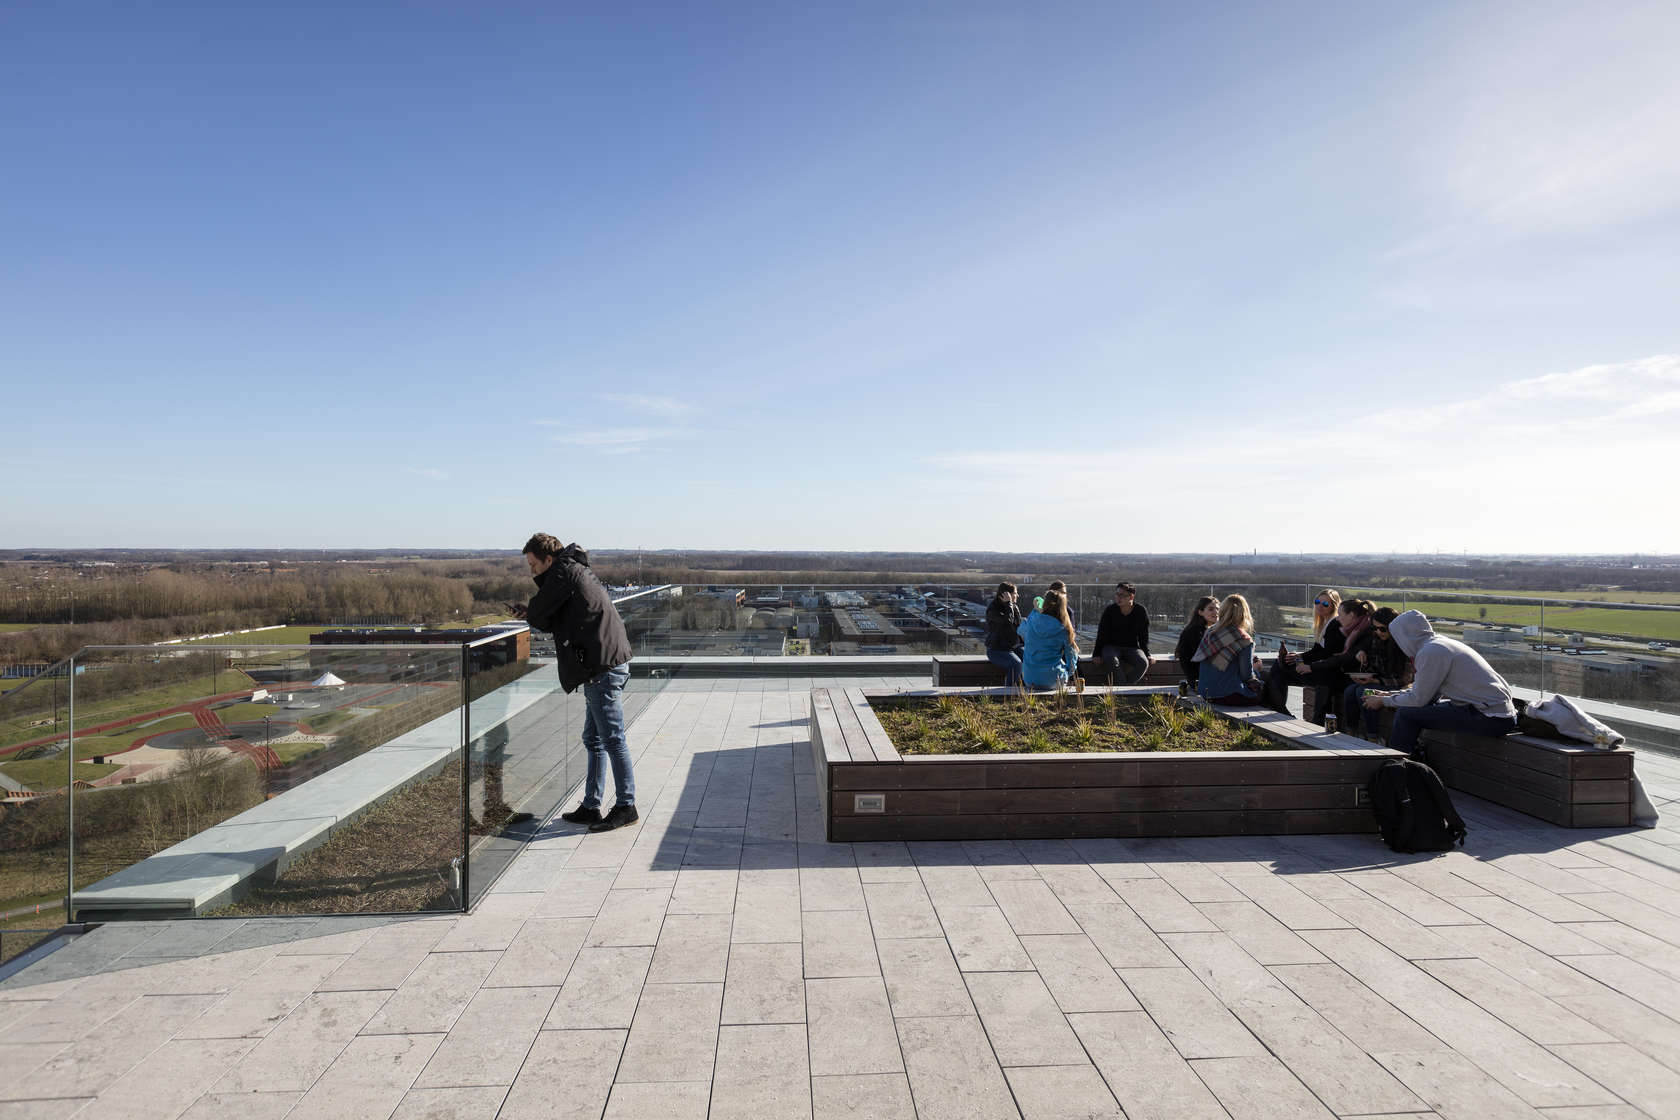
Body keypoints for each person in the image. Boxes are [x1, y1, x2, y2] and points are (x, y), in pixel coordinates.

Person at [522, 532, 639, 833]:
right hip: (603, 662)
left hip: (602, 666)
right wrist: (530, 613)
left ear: (549, 560)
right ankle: (591, 805)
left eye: (534, 566)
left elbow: (539, 611)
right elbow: (547, 616)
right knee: (594, 738)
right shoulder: (571, 571)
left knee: (612, 738)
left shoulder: (562, 572)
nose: (531, 572)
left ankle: (626, 805)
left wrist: (531, 611)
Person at [1363, 609, 1517, 760]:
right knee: (1414, 710)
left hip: (1489, 717)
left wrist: (1383, 701)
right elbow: (1426, 694)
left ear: (1404, 635)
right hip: (1492, 710)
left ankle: (1394, 766)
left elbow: (1419, 699)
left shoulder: (1430, 653)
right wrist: (1388, 695)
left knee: (1406, 715)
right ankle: (1409, 758)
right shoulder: (1438, 644)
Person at [1262, 598, 1375, 723]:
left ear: (1352, 615)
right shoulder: (1352, 629)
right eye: (1317, 602)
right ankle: (1283, 712)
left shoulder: (1362, 632)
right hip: (1335, 671)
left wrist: (1309, 665)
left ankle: (1301, 717)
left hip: (1348, 677)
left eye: (1340, 615)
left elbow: (1339, 658)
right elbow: (1326, 653)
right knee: (1282, 666)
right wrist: (1301, 659)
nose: (1338, 618)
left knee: (1323, 674)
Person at [1340, 606, 1410, 736]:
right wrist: (1364, 661)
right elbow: (1375, 668)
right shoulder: (1376, 641)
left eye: (1382, 629)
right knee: (1350, 690)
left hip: (1398, 686)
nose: (1378, 632)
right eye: (1374, 628)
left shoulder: (1404, 646)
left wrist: (1376, 680)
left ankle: (1373, 735)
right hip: (1380, 682)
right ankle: (1351, 732)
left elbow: (1406, 680)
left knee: (1364, 691)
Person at [1193, 594, 1264, 705]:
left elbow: (1217, 666)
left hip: (1205, 693)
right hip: (1228, 695)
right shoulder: (1244, 639)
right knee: (1266, 689)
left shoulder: (1211, 632)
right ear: (1244, 613)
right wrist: (1255, 669)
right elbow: (1246, 676)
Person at [1018, 588, 1079, 689]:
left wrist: (1036, 611)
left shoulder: (1033, 620)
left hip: (1030, 679)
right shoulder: (1063, 629)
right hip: (1054, 679)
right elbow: (1071, 657)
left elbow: (1020, 630)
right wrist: (1068, 672)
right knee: (1062, 663)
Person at [1094, 581, 1151, 684]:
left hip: (1132, 648)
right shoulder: (1110, 610)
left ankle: (1123, 688)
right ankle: (1124, 690)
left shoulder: (1140, 611)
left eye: (1122, 595)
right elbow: (1101, 633)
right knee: (1111, 660)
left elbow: (1144, 635)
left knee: (1143, 663)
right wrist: (1096, 654)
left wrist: (1147, 654)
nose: (1118, 598)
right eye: (1117, 594)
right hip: (1111, 647)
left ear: (1131, 597)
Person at [984, 582, 1025, 687]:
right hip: (997, 650)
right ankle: (1008, 693)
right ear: (1006, 595)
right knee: (1016, 664)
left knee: (1030, 658)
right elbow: (1007, 622)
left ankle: (1026, 688)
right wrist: (1009, 604)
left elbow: (1018, 627)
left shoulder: (1013, 607)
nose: (1018, 595)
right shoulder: (993, 610)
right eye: (1015, 593)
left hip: (1012, 647)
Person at [1175, 596, 1219, 687]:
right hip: (1200, 681)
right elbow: (1206, 657)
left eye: (1217, 609)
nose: (1216, 612)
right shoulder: (1194, 632)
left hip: (1204, 677)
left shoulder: (1206, 630)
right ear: (1200, 612)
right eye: (1211, 609)